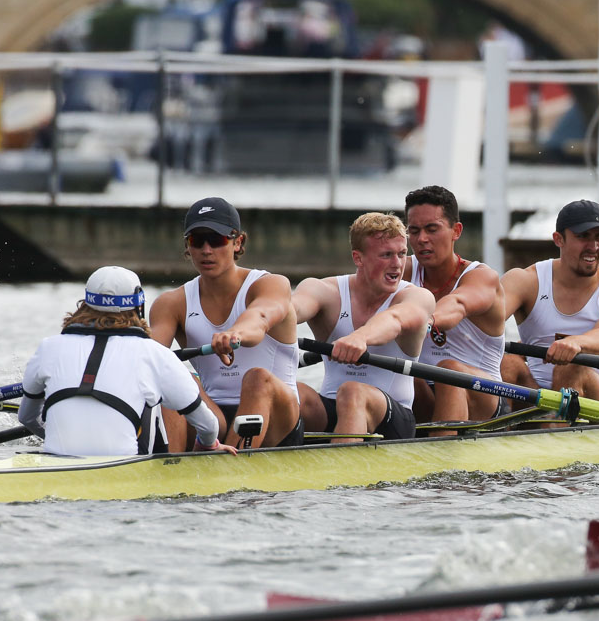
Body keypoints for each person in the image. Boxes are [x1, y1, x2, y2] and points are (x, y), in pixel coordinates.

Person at [19, 266, 232, 458]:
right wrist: (207, 446)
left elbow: (27, 418)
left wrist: (60, 441)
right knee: (154, 398)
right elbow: (208, 425)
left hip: (57, 465)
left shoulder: (49, 346)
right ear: (139, 307)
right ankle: (166, 466)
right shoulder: (155, 353)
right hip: (127, 468)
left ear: (85, 304)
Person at [150, 197, 302, 449]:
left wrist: (234, 334)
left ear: (237, 242)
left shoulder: (271, 284)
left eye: (217, 240)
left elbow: (260, 319)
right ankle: (170, 468)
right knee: (172, 376)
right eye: (197, 241)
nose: (206, 250)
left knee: (257, 378)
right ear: (188, 246)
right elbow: (149, 356)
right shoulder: (171, 303)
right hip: (214, 416)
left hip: (278, 417)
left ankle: (226, 468)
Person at [294, 213, 434, 443]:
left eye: (401, 254)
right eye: (386, 255)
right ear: (358, 258)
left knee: (352, 391)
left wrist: (360, 337)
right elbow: (291, 310)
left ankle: (340, 474)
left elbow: (395, 319)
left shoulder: (418, 297)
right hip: (331, 407)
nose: (398, 264)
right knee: (287, 391)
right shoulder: (324, 290)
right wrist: (253, 324)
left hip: (392, 418)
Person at [500, 199, 599, 404]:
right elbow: (487, 320)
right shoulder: (525, 280)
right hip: (534, 396)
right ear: (559, 239)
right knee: (508, 361)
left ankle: (553, 429)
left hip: (594, 402)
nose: (593, 247)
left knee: (570, 367)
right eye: (583, 236)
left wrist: (576, 342)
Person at [403, 186, 506, 426]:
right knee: (402, 369)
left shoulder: (481, 277)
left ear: (456, 231)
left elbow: (456, 304)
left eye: (432, 229)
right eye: (414, 231)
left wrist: (425, 321)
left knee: (448, 370)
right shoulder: (401, 271)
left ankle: (443, 458)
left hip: (483, 395)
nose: (421, 240)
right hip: (423, 392)